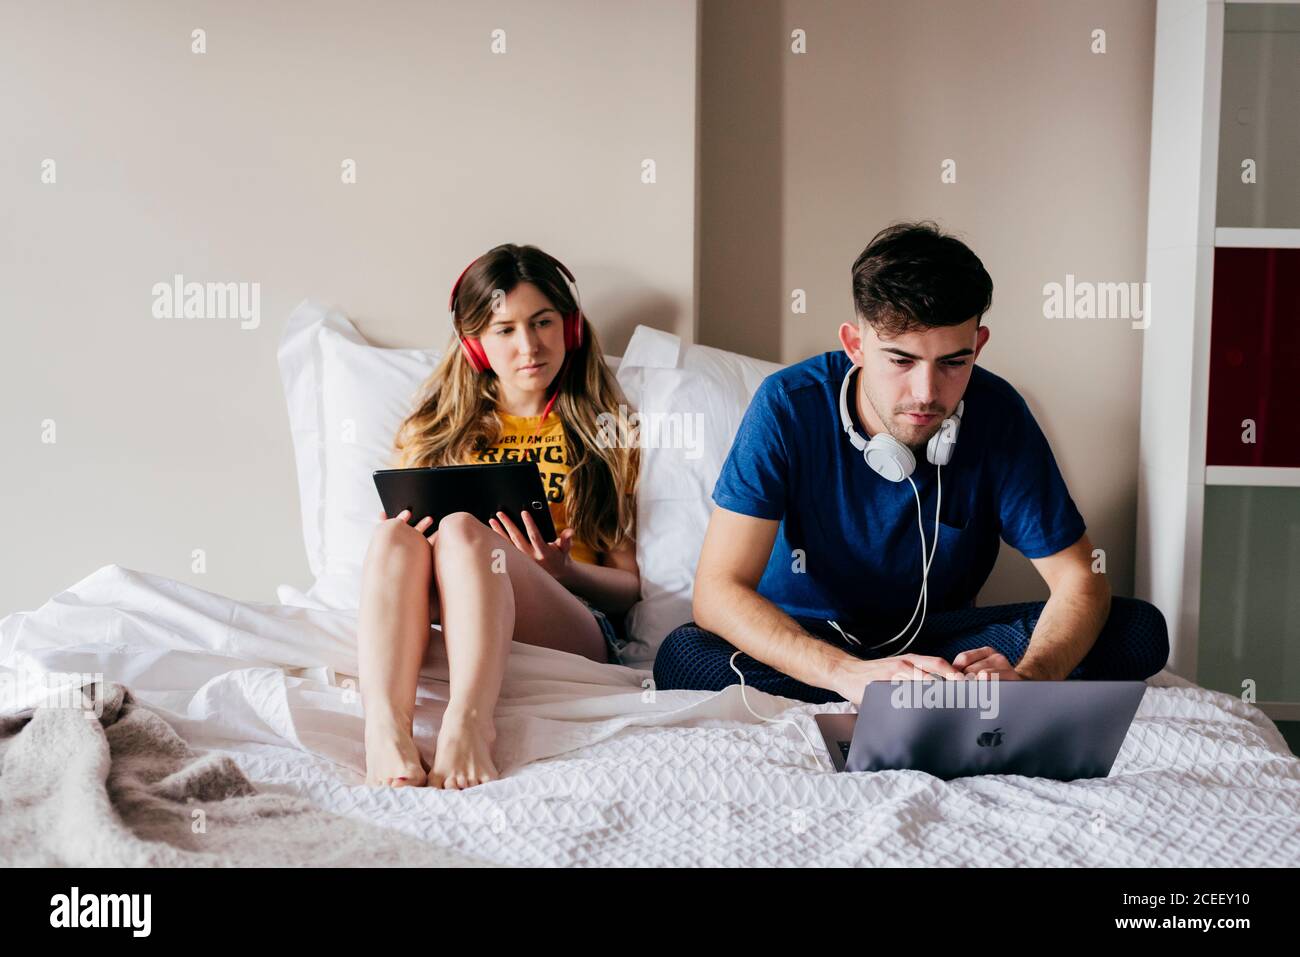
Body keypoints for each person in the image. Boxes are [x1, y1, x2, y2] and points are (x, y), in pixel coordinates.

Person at [653, 221, 1168, 706]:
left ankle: (926, 689)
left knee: (1139, 629)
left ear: (978, 347)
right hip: (808, 640)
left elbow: (1080, 580)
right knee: (684, 658)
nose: (926, 394)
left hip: (938, 643)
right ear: (855, 344)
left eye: (953, 362)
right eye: (901, 361)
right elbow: (717, 592)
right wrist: (849, 675)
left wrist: (1029, 680)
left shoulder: (999, 413)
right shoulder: (788, 404)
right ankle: (903, 692)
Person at [358, 244, 640, 789]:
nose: (528, 346)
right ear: (476, 345)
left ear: (571, 329)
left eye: (542, 323)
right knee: (392, 539)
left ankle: (467, 723)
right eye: (504, 330)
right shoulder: (433, 430)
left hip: (571, 617)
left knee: (466, 530)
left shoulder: (606, 430)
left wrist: (564, 571)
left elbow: (628, 588)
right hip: (454, 604)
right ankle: (384, 729)